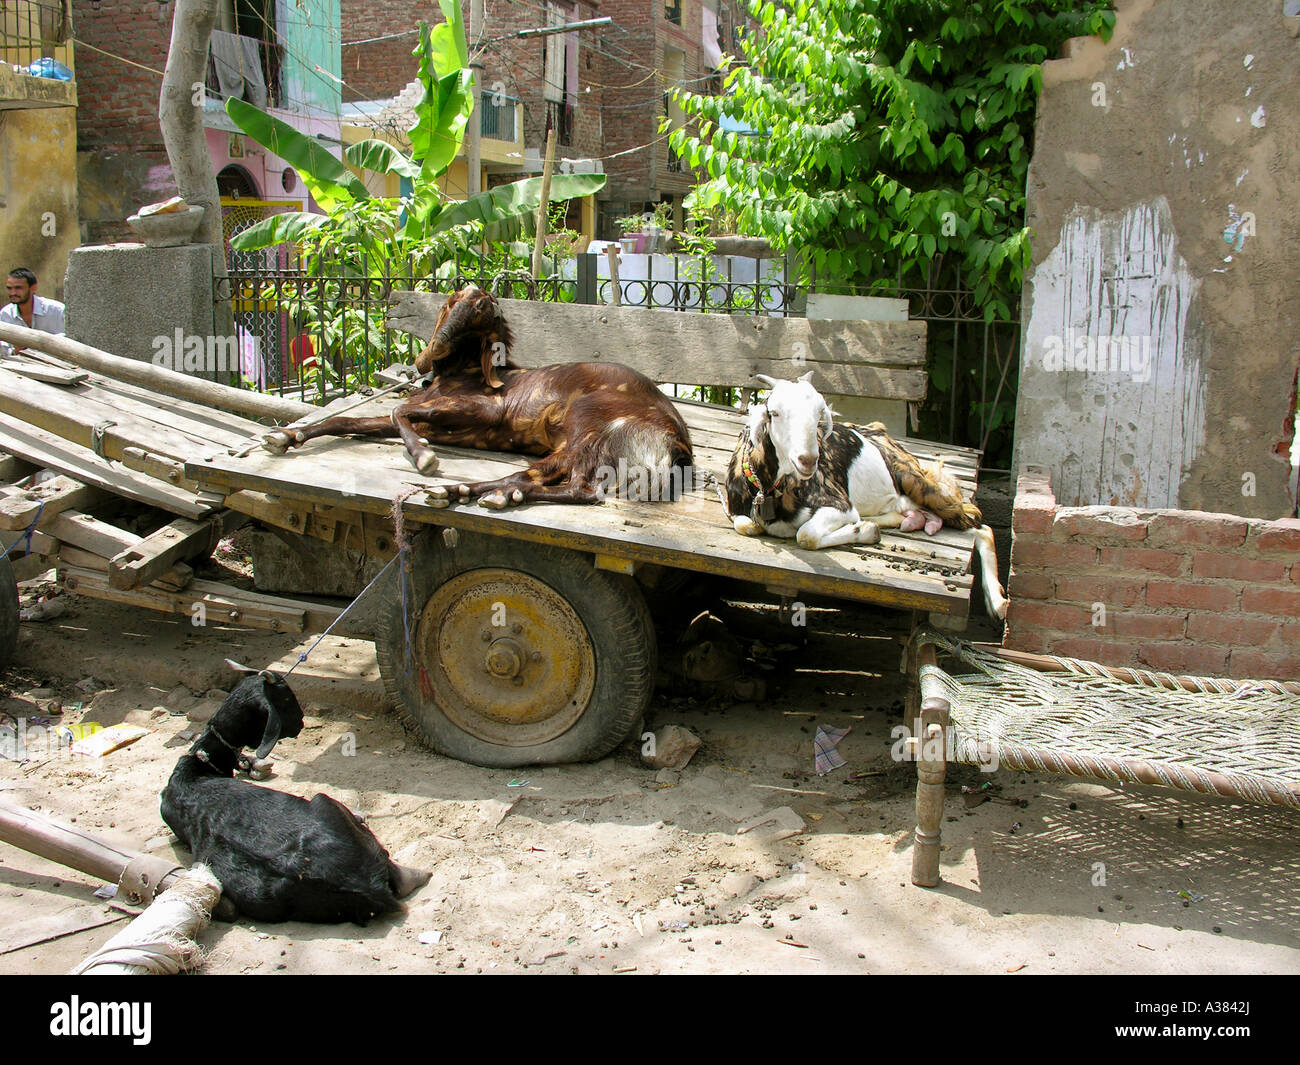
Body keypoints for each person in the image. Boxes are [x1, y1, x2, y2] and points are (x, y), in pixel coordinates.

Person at [0, 268, 66, 358]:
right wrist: (16, 350)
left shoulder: (57, 310)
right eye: (9, 288)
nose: (13, 293)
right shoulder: (6, 314)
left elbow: (69, 341)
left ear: (33, 288)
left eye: (18, 288)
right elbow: (5, 351)